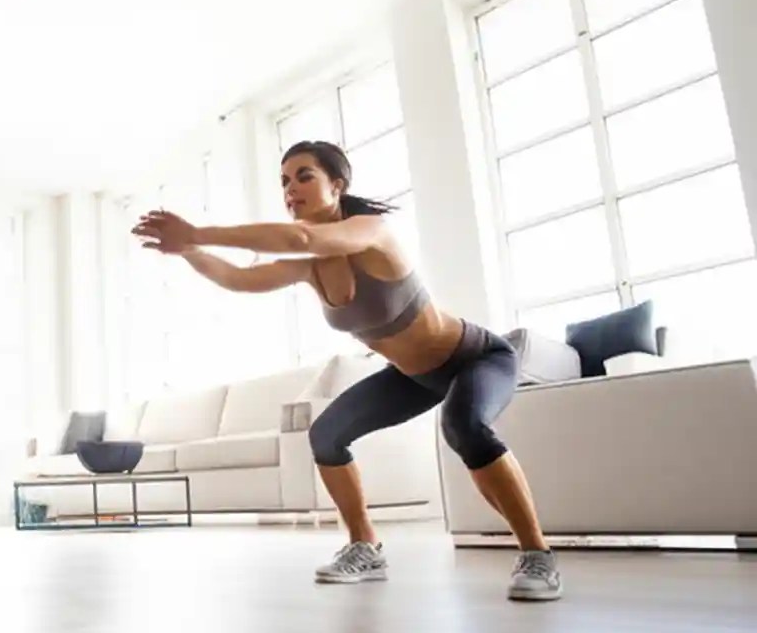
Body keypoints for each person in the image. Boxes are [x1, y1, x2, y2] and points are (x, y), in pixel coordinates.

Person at [131, 140, 562, 601]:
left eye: (303, 176)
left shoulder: (372, 232)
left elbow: (301, 238)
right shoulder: (310, 269)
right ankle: (364, 546)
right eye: (283, 182)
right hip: (413, 375)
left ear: (337, 185)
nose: (290, 189)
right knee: (327, 436)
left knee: (462, 425)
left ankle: (538, 555)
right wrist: (186, 251)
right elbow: (239, 279)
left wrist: (197, 233)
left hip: (475, 357)